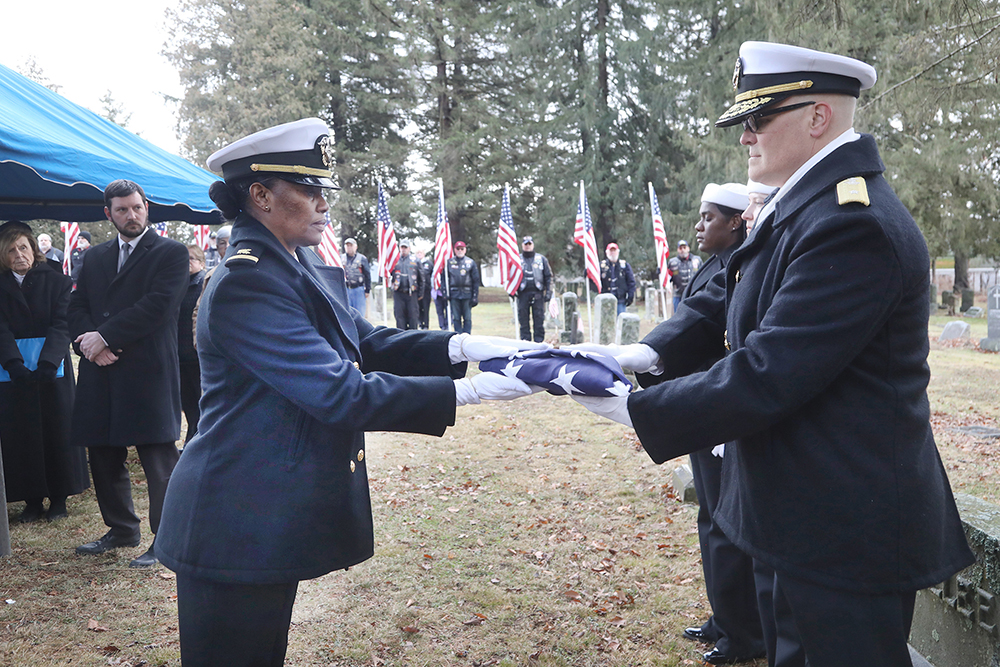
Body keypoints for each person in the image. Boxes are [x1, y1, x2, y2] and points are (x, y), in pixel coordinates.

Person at [572, 42, 974, 667]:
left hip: (844, 524)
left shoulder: (851, 221)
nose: (745, 137)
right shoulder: (806, 206)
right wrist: (637, 356)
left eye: (758, 119)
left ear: (817, 118)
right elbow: (730, 306)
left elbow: (770, 369)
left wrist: (633, 408)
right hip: (800, 511)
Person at [153, 118, 541, 667]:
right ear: (260, 196)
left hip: (262, 509)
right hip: (233, 518)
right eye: (309, 190)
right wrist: (474, 392)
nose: (323, 203)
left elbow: (365, 340)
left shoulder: (292, 260)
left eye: (323, 191)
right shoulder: (248, 281)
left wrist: (467, 346)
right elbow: (343, 392)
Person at [69, 179, 190, 569]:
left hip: (147, 370)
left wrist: (104, 337)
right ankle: (122, 528)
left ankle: (166, 539)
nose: (131, 215)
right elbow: (76, 306)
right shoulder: (95, 257)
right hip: (100, 370)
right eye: (121, 209)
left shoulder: (171, 253)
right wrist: (87, 344)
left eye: (136, 207)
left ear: (146, 207)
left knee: (158, 459)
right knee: (103, 454)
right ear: (108, 214)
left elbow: (158, 307)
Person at [678, 182, 766, 665]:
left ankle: (743, 634)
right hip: (702, 407)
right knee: (709, 517)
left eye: (710, 217)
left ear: (736, 222)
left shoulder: (739, 266)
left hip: (720, 408)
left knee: (725, 525)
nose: (699, 225)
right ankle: (724, 616)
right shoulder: (716, 265)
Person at [0, 223, 89, 523]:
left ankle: (60, 497)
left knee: (57, 430)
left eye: (23, 247)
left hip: (53, 367)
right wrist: (12, 362)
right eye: (11, 250)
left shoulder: (57, 281)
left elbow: (61, 323)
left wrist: (50, 362)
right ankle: (31, 499)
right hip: (12, 370)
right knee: (19, 433)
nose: (18, 255)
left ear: (33, 249)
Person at [178, 244, 206, 443]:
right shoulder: (177, 285)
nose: (187, 263)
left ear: (202, 262)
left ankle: (195, 440)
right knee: (187, 404)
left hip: (197, 357)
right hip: (179, 355)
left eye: (192, 259)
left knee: (200, 404)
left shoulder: (204, 284)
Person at [516, 236, 552, 342]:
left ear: (533, 245)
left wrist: (548, 292)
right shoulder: (517, 259)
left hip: (538, 293)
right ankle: (525, 342)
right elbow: (511, 276)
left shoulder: (541, 259)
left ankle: (539, 342)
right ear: (522, 245)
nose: (527, 246)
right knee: (523, 319)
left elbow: (548, 277)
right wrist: (512, 290)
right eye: (525, 244)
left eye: (529, 244)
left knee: (539, 318)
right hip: (523, 293)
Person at [446, 241, 479, 334]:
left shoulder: (471, 262)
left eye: (462, 249)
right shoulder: (449, 263)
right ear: (454, 250)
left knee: (467, 317)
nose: (460, 251)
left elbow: (475, 280)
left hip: (467, 294)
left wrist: (475, 296)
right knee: (456, 317)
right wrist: (445, 293)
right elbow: (445, 279)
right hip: (454, 294)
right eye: (458, 249)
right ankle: (458, 335)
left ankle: (467, 336)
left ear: (465, 250)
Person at [391, 240, 421, 330]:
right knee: (399, 317)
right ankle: (401, 337)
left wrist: (420, 294)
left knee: (413, 317)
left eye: (405, 247)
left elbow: (421, 278)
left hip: (411, 293)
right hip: (399, 293)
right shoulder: (394, 260)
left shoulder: (415, 260)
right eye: (402, 247)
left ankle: (413, 337)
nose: (403, 249)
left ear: (409, 249)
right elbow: (390, 275)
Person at [599, 242, 635, 315]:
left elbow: (631, 282)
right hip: (605, 300)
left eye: (614, 251)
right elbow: (595, 280)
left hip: (620, 300)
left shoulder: (624, 265)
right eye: (610, 251)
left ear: (618, 252)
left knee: (620, 322)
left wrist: (631, 295)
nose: (612, 253)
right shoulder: (601, 266)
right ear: (606, 252)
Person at [666, 239, 701, 313]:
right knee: (678, 315)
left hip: (694, 294)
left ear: (688, 248)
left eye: (684, 247)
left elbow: (703, 276)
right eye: (680, 248)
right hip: (678, 294)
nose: (682, 250)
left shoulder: (697, 260)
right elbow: (667, 277)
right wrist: (661, 271)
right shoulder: (672, 262)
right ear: (678, 250)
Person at [342, 237, 371, 316]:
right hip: (346, 289)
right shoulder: (341, 258)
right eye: (347, 245)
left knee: (359, 314)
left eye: (351, 245)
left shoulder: (362, 258)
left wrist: (367, 290)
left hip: (358, 289)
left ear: (355, 247)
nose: (349, 247)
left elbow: (367, 275)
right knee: (347, 314)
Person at [417, 249, 433, 329]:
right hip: (418, 289)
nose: (419, 254)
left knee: (426, 308)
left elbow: (431, 274)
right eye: (418, 253)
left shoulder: (429, 263)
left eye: (421, 252)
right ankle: (420, 324)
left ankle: (426, 325)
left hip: (426, 289)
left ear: (424, 253)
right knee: (418, 308)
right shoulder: (415, 263)